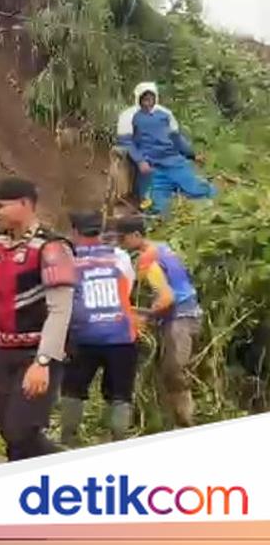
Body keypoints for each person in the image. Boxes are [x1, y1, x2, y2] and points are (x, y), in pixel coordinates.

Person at [0, 178, 77, 462]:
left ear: (25, 204)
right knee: (8, 429)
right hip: (0, 352)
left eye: (2, 205)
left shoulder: (52, 248)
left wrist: (43, 361)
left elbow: (60, 309)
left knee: (21, 429)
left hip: (35, 353)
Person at [59, 211, 140, 446]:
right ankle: (116, 439)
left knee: (73, 388)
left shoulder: (68, 260)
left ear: (74, 231)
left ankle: (68, 439)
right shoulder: (120, 256)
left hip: (83, 335)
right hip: (121, 334)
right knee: (120, 393)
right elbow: (128, 287)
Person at [116, 215, 203, 427]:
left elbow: (166, 298)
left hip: (179, 318)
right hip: (193, 313)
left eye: (123, 238)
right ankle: (179, 419)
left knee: (173, 371)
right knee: (175, 370)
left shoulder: (147, 259)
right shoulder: (164, 248)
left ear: (136, 235)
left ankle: (186, 422)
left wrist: (145, 315)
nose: (122, 244)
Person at [116, 82, 215, 215]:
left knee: (199, 190)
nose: (148, 102)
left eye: (151, 98)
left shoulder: (165, 114)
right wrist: (140, 161)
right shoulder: (128, 116)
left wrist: (192, 155)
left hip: (173, 161)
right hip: (151, 165)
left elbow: (176, 139)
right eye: (144, 98)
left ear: (156, 97)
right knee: (156, 206)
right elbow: (126, 142)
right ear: (138, 98)